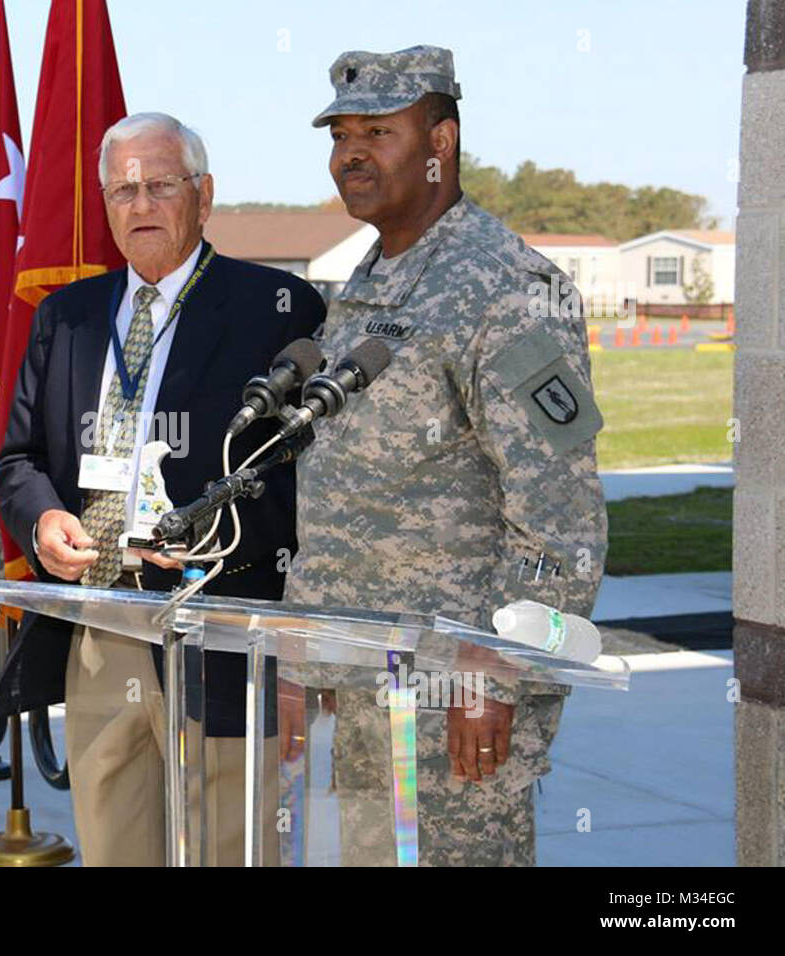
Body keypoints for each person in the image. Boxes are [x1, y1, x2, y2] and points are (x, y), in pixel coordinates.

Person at [282, 46, 608, 866]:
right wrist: (300, 650)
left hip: (453, 699)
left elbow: (560, 520)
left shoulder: (505, 287)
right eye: (341, 134)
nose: (351, 152)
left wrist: (491, 676)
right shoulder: (370, 282)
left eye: (379, 132)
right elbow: (346, 489)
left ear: (442, 142)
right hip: (364, 685)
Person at [0, 113, 326, 865]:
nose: (140, 204)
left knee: (228, 849)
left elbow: (301, 475)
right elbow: (18, 461)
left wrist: (205, 541)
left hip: (222, 628)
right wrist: (43, 519)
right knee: (114, 845)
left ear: (202, 197)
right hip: (101, 625)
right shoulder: (66, 316)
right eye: (122, 189)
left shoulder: (274, 308)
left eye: (160, 185)